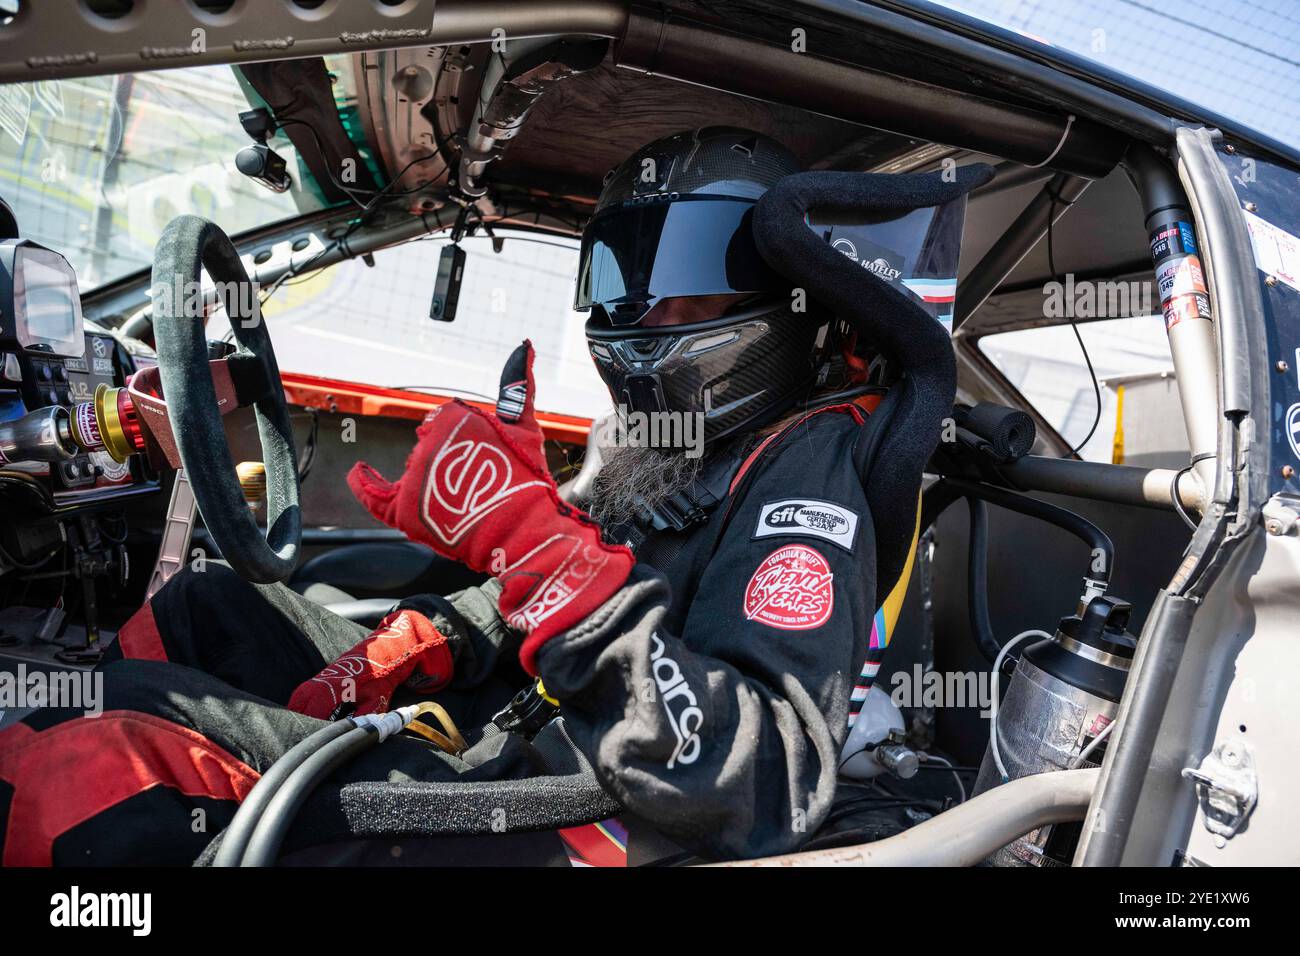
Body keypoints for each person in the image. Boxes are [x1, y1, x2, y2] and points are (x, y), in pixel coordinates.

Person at [0, 128, 984, 866]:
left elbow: (759, 773)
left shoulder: (807, 479)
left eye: (691, 290)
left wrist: (540, 554)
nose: (648, 318)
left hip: (591, 804)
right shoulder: (687, 443)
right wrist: (430, 634)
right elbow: (597, 571)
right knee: (206, 607)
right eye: (630, 284)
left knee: (103, 757)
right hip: (525, 717)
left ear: (789, 294)